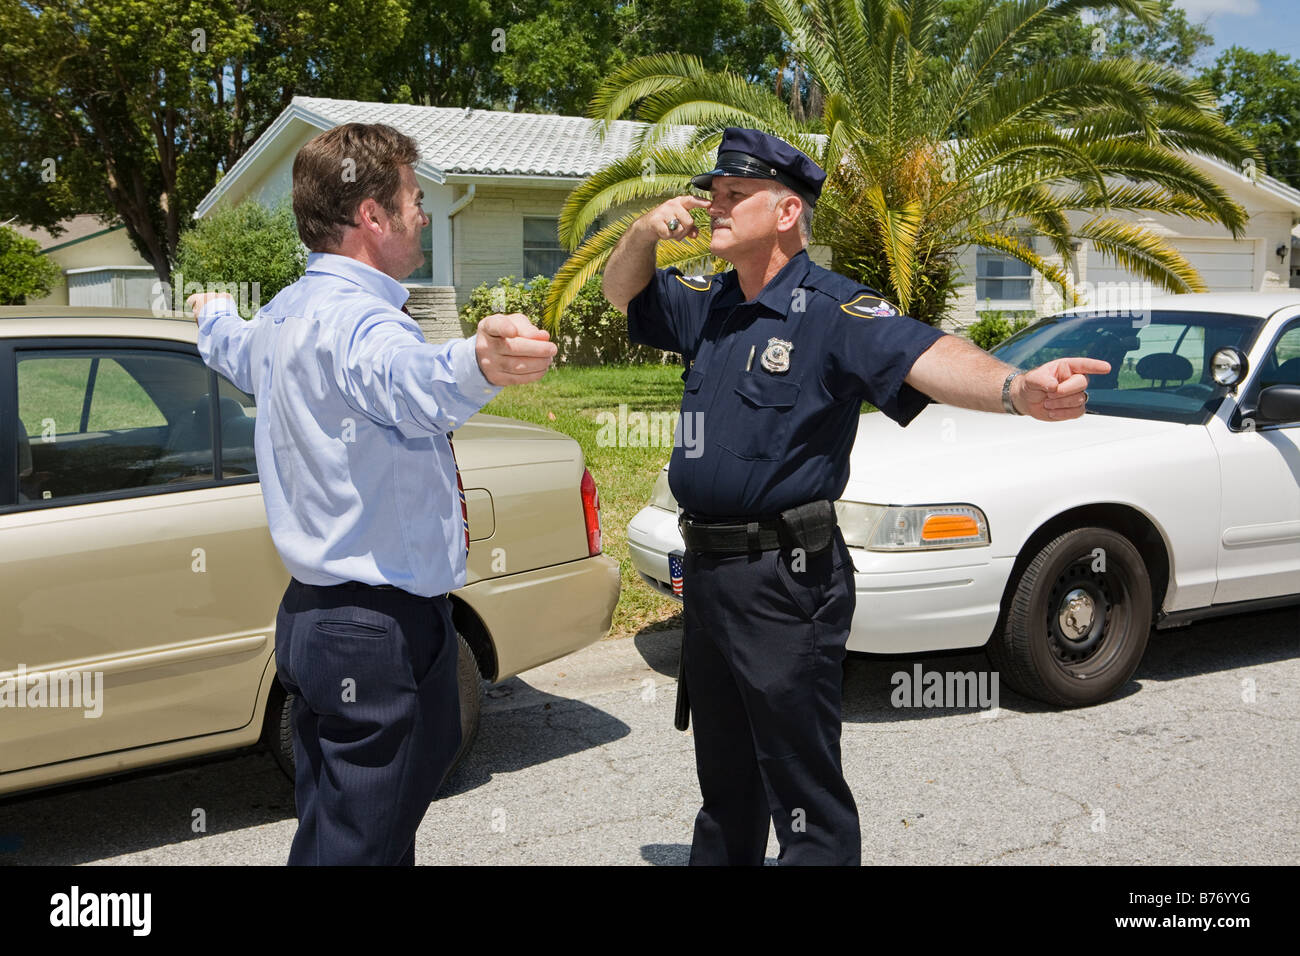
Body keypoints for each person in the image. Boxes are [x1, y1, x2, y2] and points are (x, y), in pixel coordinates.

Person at [602, 127, 1109, 866]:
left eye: (734, 197)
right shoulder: (709, 303)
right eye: (712, 195)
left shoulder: (836, 312)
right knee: (725, 776)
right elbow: (624, 290)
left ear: (784, 214)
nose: (715, 207)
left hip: (785, 580)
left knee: (801, 787)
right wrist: (645, 229)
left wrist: (1014, 388)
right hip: (710, 576)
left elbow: (928, 353)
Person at [188, 122, 556, 865]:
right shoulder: (358, 323)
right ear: (372, 216)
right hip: (374, 632)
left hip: (316, 624)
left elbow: (233, 346)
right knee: (363, 845)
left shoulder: (285, 316)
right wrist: (478, 363)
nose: (423, 213)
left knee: (344, 830)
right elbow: (410, 382)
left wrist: (211, 314)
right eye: (415, 199)